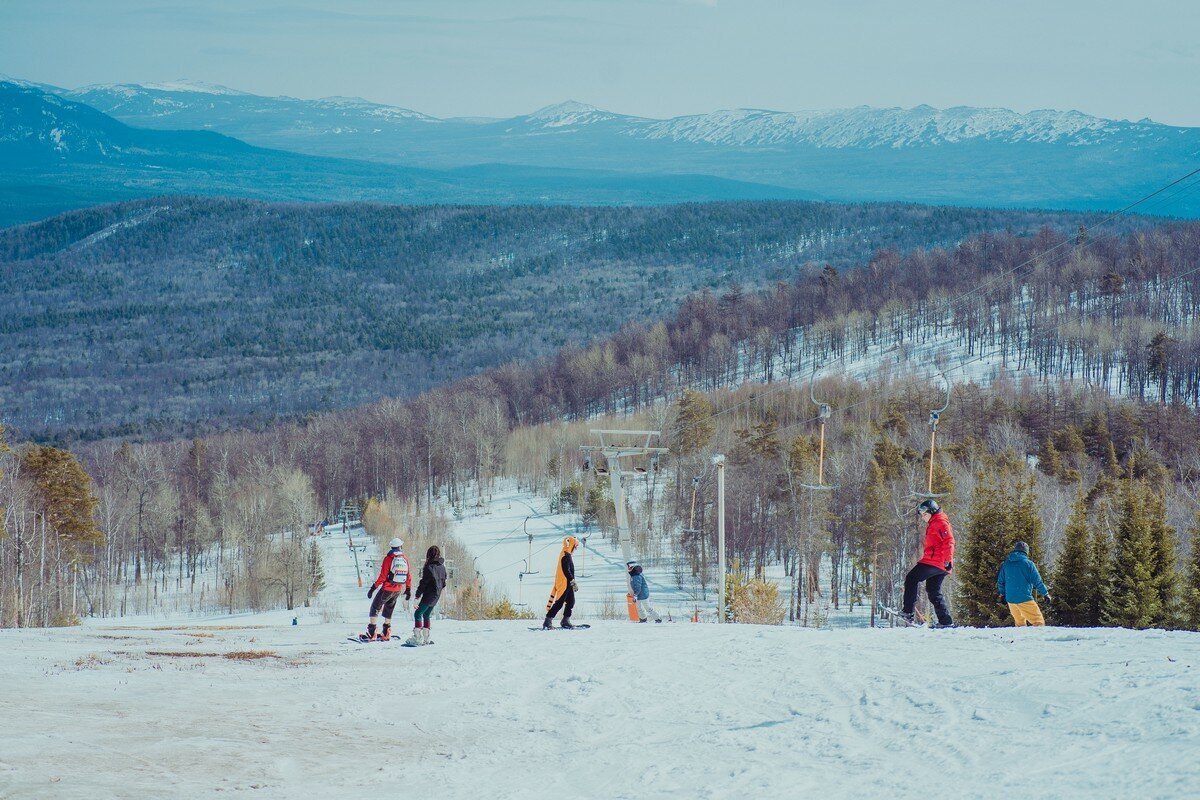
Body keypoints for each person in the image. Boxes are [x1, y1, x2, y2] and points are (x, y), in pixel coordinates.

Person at [901, 499, 955, 627]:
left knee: (911, 578)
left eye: (924, 514)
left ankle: (908, 611)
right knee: (933, 591)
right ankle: (945, 621)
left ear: (931, 512)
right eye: (921, 515)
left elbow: (949, 541)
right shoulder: (935, 522)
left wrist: (947, 559)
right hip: (940, 563)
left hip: (936, 561)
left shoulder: (940, 522)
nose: (923, 517)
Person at [359, 537, 410, 642]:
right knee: (389, 608)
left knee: (375, 607)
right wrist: (408, 589)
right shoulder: (404, 558)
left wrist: (373, 588)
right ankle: (386, 632)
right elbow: (409, 575)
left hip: (387, 588)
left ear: (391, 547)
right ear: (401, 546)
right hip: (398, 590)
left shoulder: (388, 558)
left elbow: (382, 576)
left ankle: (372, 633)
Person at [997, 541, 1051, 626]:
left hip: (1011, 599)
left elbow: (1000, 581)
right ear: (1026, 551)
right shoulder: (1028, 564)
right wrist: (1045, 594)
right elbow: (1037, 581)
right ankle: (1038, 639)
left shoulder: (1006, 564)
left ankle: (1020, 639)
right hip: (1024, 598)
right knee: (1038, 622)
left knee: (1020, 624)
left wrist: (1003, 594)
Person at [407, 545, 448, 645]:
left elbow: (423, 583)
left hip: (429, 595)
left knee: (418, 614)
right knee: (426, 614)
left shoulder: (428, 567)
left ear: (428, 555)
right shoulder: (442, 567)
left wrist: (417, 595)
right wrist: (437, 591)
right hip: (436, 596)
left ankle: (417, 638)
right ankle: (426, 638)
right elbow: (444, 582)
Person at [543, 536, 579, 629]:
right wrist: (572, 580)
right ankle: (548, 621)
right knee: (559, 603)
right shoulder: (565, 555)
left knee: (571, 602)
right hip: (564, 583)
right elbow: (566, 570)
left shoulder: (567, 554)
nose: (575, 549)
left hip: (568, 583)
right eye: (575, 546)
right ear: (571, 545)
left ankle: (565, 620)